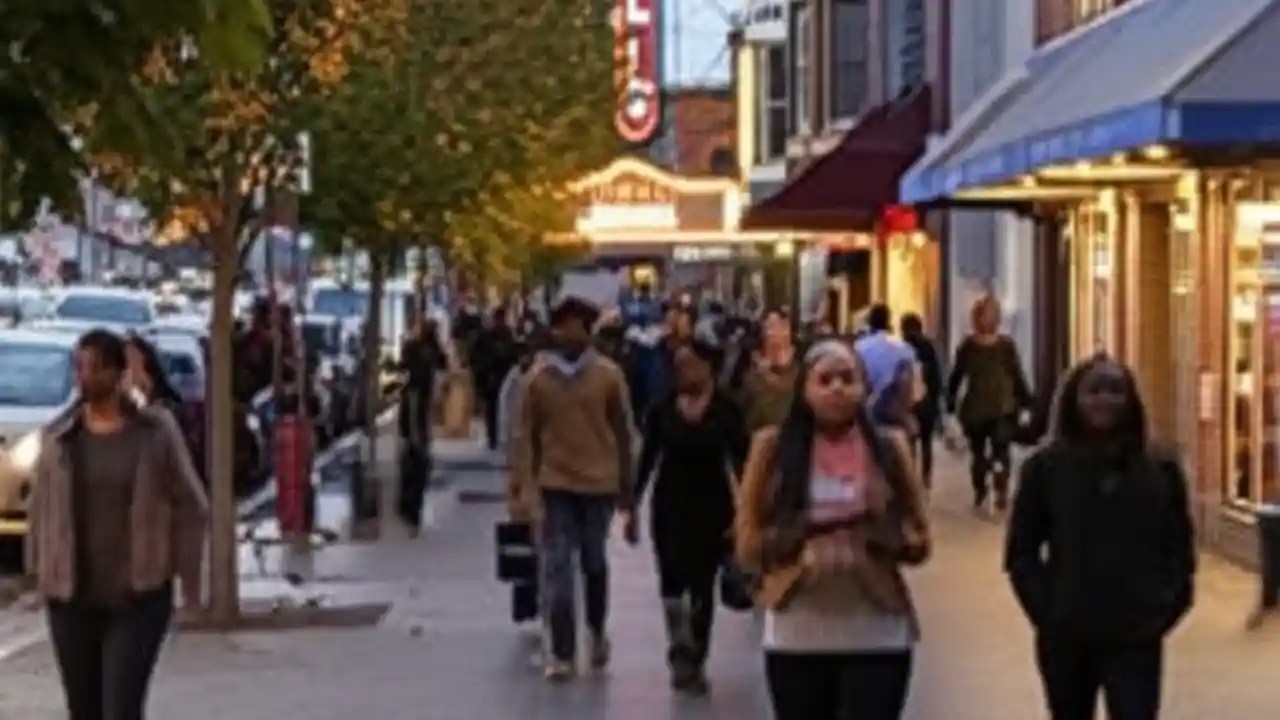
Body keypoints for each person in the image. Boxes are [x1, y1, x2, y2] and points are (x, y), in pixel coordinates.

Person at [734, 339, 930, 720]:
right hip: (797, 631)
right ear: (804, 389)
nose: (837, 389)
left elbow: (920, 539)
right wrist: (802, 530)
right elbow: (747, 546)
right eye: (825, 380)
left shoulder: (888, 448)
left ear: (864, 387)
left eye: (847, 379)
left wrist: (882, 531)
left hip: (876, 629)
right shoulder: (771, 449)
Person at [27, 329, 209, 720]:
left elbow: (191, 506)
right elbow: (41, 509)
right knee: (83, 709)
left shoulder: (154, 433)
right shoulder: (59, 438)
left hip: (138, 597)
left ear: (116, 374)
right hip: (72, 600)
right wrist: (40, 573)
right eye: (78, 368)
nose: (84, 378)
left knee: (121, 708)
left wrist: (189, 584)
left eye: (94, 368)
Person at [1006, 355, 1195, 720]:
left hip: (1135, 633)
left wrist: (1166, 606)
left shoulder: (1160, 469)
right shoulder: (1045, 469)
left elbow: (1179, 548)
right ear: (1074, 399)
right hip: (1068, 632)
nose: (1104, 400)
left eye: (1115, 391)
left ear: (1131, 401)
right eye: (1094, 390)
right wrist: (1047, 611)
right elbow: (1021, 552)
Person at [511, 296, 635, 682]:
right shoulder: (539, 378)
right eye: (561, 325)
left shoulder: (608, 376)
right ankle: (562, 651)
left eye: (575, 325)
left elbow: (624, 432)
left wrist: (628, 489)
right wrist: (523, 488)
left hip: (598, 483)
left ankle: (596, 630)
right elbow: (524, 436)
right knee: (557, 567)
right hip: (555, 483)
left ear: (588, 329)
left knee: (594, 561)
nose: (567, 333)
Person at [630, 339, 748, 695]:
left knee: (702, 586)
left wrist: (752, 512)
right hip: (669, 505)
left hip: (713, 507)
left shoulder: (727, 409)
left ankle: (695, 657)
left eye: (692, 365)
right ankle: (677, 646)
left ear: (709, 367)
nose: (685, 372)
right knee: (671, 584)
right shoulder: (662, 408)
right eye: (679, 366)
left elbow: (743, 461)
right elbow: (648, 457)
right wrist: (631, 505)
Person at [946, 295, 1033, 512]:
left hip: (988, 408)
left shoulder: (978, 346)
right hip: (992, 408)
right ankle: (992, 487)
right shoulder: (997, 346)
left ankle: (990, 489)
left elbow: (956, 378)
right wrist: (1027, 403)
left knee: (989, 451)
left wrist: (949, 407)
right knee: (991, 451)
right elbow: (1015, 376)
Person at [397, 314, 448, 533]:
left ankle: (410, 508)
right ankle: (409, 508)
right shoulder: (419, 349)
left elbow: (442, 363)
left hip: (417, 407)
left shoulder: (420, 348)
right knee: (417, 459)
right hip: (416, 406)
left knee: (415, 459)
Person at [853, 304, 923, 430]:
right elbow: (916, 391)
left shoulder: (858, 348)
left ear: (869, 322)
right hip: (895, 418)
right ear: (889, 321)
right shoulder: (904, 349)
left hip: (864, 417)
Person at [900, 314, 943, 487]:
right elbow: (936, 377)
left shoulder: (902, 348)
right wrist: (936, 399)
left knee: (910, 441)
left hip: (909, 404)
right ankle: (926, 478)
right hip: (927, 402)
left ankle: (910, 474)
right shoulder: (929, 347)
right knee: (926, 442)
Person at [740, 308, 798, 435]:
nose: (773, 333)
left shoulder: (801, 361)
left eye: (781, 326)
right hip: (756, 434)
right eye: (769, 327)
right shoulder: (749, 361)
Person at [471, 308, 519, 450]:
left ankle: (499, 436)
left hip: (502, 376)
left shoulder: (506, 335)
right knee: (492, 408)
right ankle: (493, 437)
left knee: (502, 407)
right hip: (491, 376)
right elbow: (477, 356)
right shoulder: (487, 336)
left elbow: (512, 354)